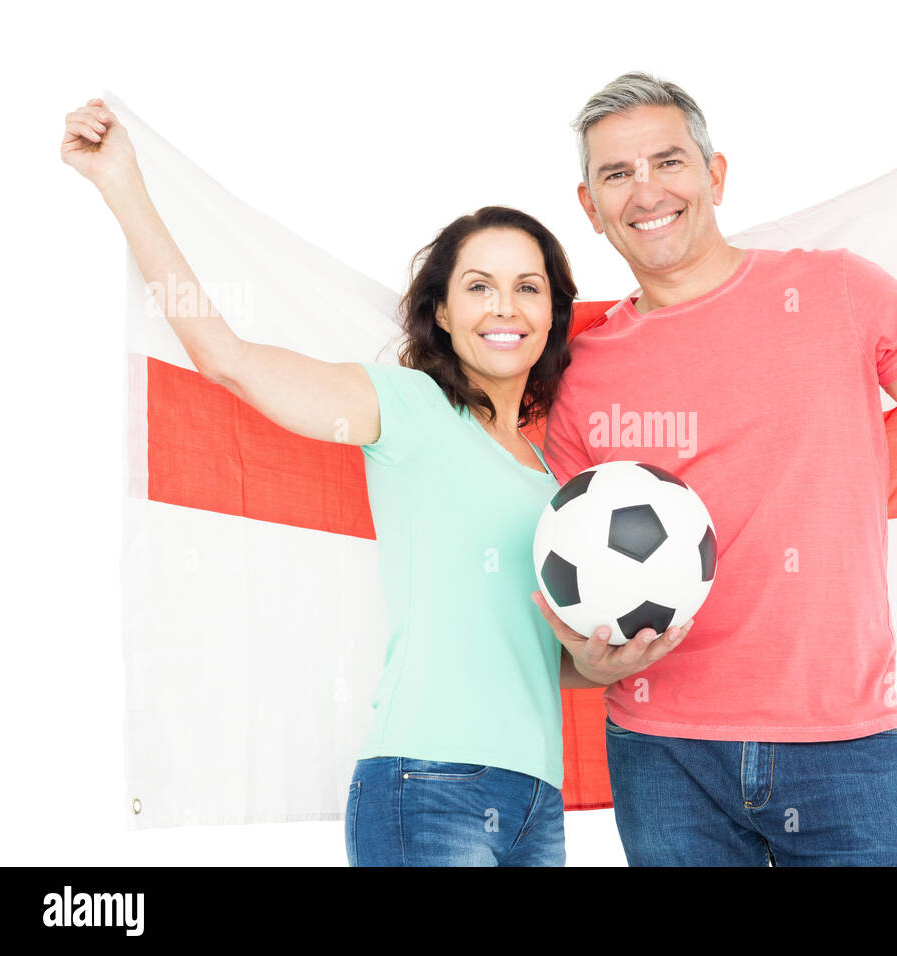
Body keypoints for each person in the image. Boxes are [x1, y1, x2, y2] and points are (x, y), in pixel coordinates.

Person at [60, 97, 692, 867]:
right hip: (427, 786)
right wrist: (120, 182)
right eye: (480, 287)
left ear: (554, 316)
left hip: (535, 803)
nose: (506, 307)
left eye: (529, 288)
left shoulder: (554, 480)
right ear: (444, 312)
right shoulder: (406, 406)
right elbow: (225, 356)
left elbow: (531, 651)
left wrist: (602, 662)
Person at [533, 73, 897, 866]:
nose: (646, 191)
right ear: (589, 206)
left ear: (715, 175)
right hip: (662, 755)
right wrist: (589, 663)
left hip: (844, 746)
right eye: (617, 174)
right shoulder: (579, 371)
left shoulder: (837, 291)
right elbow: (566, 608)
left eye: (668, 162)